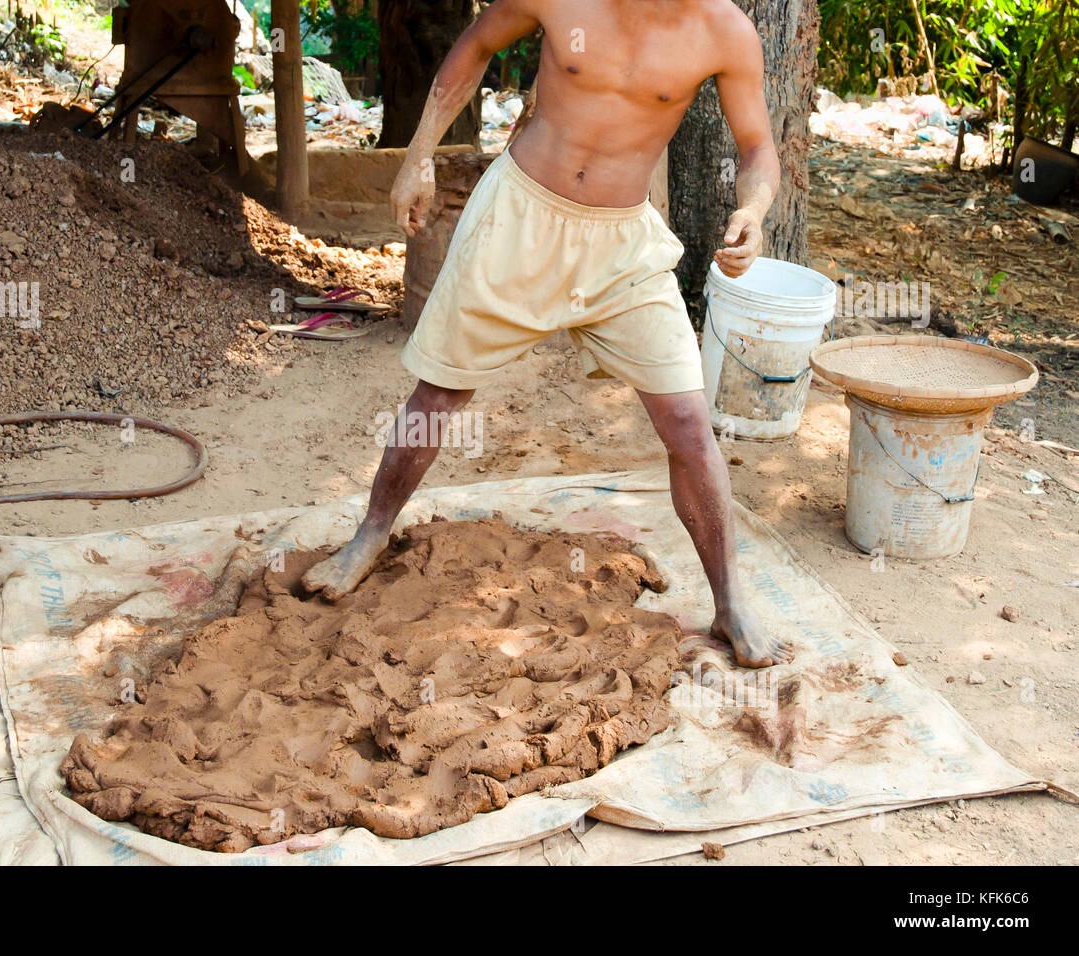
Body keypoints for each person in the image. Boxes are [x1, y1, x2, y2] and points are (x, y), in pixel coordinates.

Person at [304, 0, 791, 668]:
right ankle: (370, 535)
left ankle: (731, 599)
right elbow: (476, 44)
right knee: (440, 394)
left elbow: (758, 145)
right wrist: (419, 154)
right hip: (520, 216)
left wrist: (753, 210)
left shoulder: (724, 30)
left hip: (625, 244)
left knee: (687, 421)